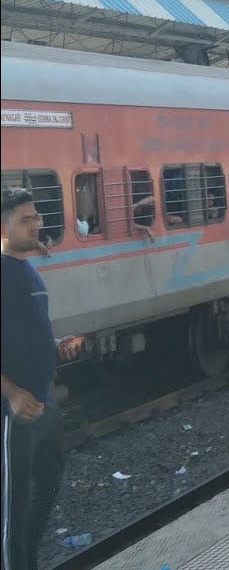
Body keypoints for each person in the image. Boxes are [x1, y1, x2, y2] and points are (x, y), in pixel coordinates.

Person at [2, 187, 84, 570]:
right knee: (12, 508)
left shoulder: (26, 268)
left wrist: (56, 346)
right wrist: (13, 392)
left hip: (43, 400)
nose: (37, 224)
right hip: (13, 409)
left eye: (36, 217)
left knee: (48, 482)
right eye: (25, 219)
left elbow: (25, 333)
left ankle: (25, 561)